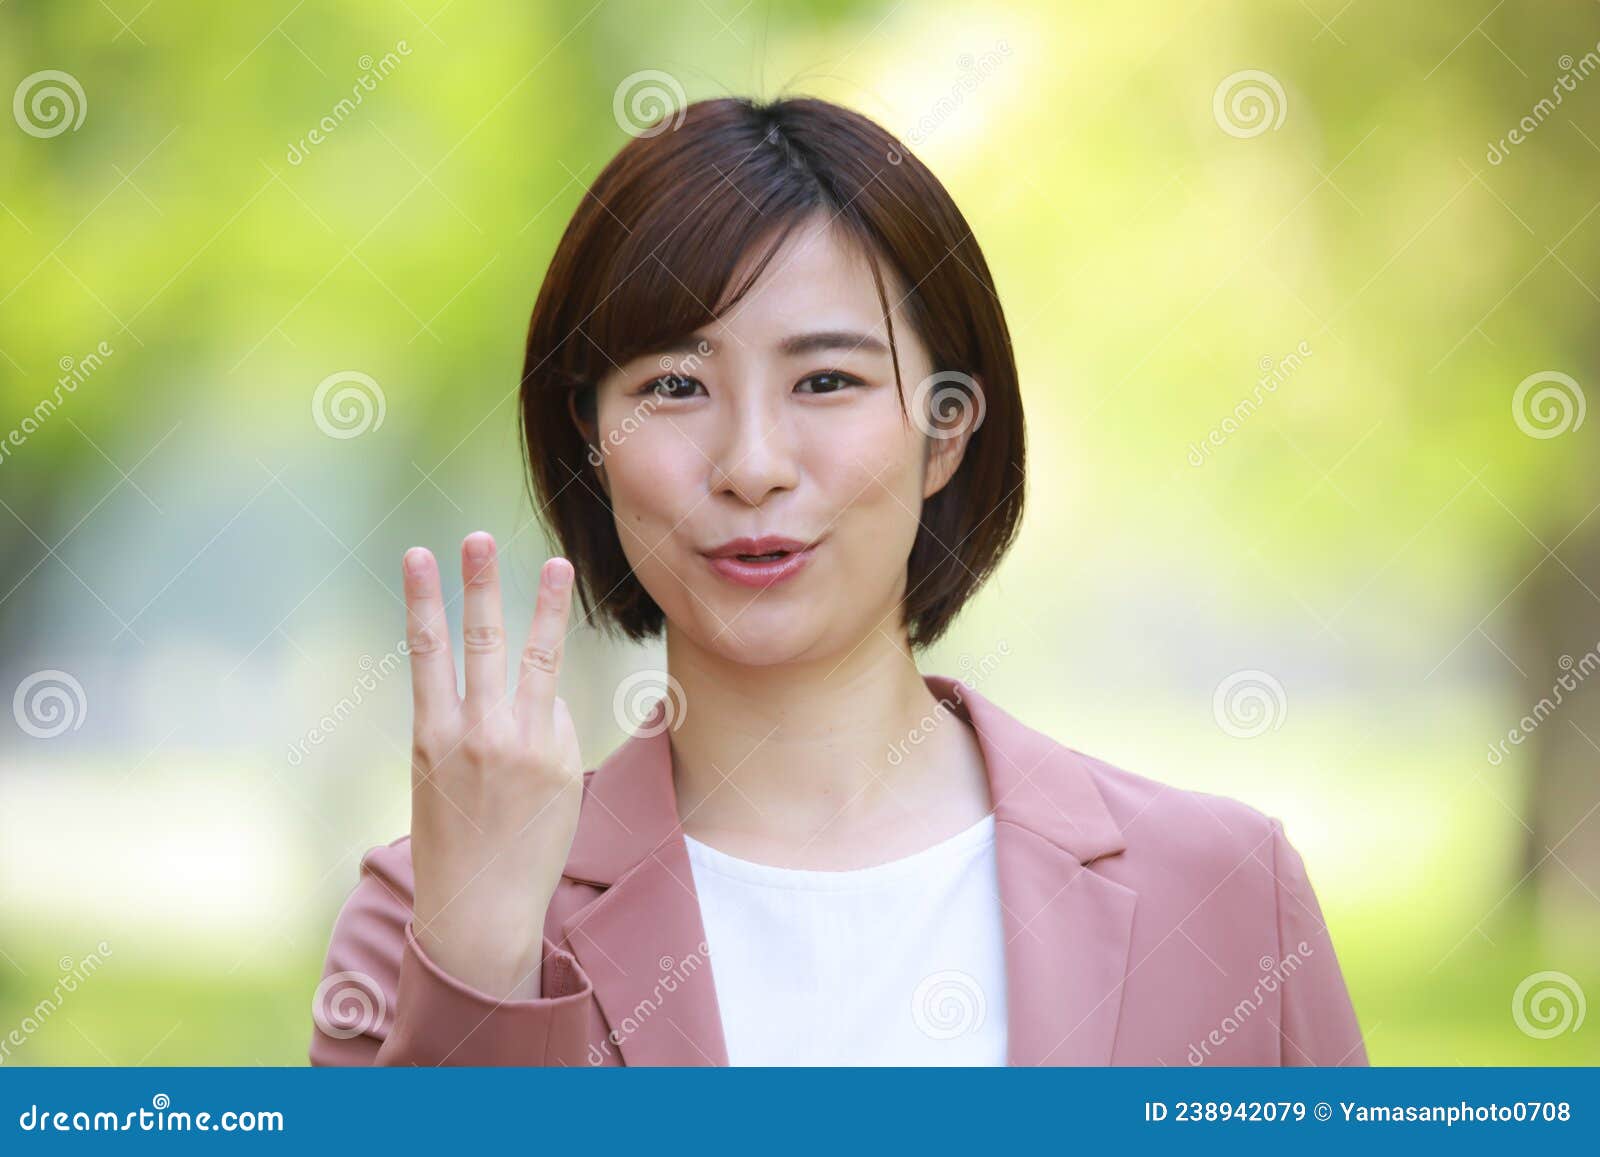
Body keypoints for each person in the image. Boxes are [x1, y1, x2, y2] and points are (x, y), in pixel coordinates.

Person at [308, 94, 1368, 1067]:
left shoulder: (1224, 892)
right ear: (590, 437)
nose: (753, 462)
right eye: (674, 385)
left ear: (945, 429)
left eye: (827, 380)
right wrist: (485, 967)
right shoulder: (424, 913)